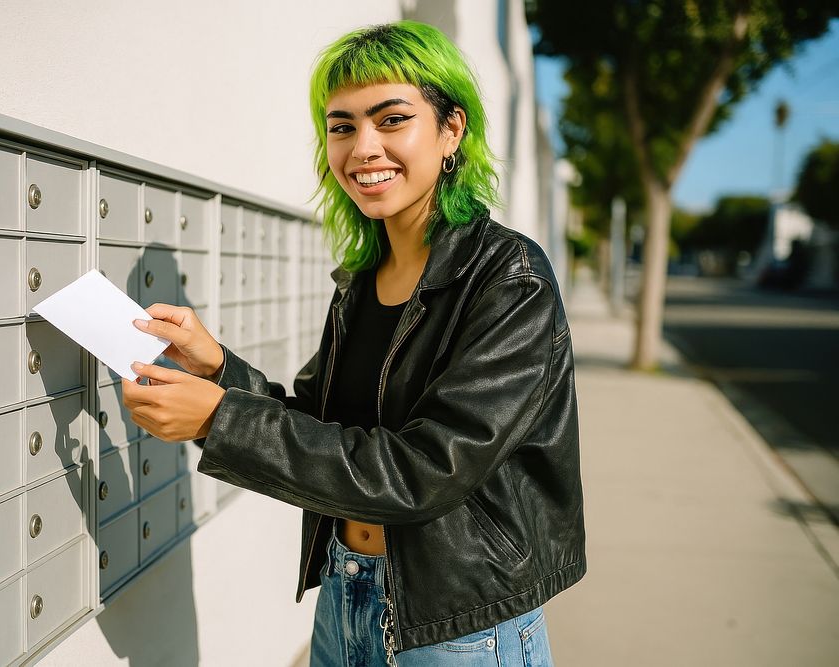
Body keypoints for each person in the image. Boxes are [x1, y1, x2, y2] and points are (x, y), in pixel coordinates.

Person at [122, 20, 586, 666]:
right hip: (346, 595)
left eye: (391, 120)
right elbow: (320, 426)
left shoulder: (510, 279)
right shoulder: (364, 283)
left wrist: (218, 418)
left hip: (457, 627)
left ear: (452, 130)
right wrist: (218, 368)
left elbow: (423, 469)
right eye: (342, 127)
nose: (363, 147)